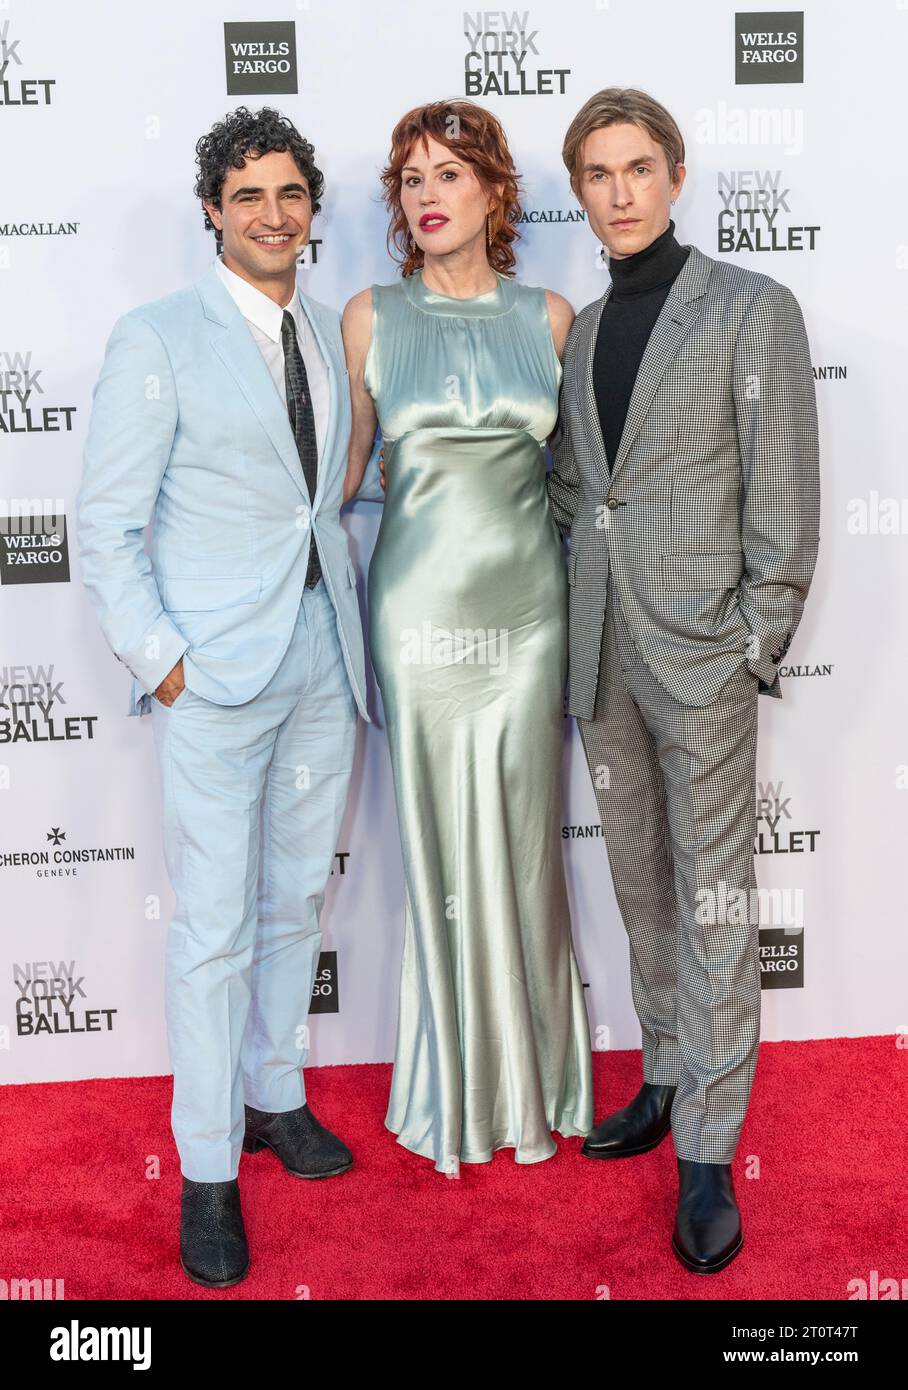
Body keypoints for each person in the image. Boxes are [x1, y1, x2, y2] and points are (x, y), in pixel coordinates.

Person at [77, 107, 368, 1287]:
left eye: (289, 192)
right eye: (245, 194)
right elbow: (102, 523)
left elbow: (319, 498)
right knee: (211, 924)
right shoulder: (156, 336)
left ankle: (274, 1094)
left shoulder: (317, 328)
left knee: (297, 895)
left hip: (319, 654)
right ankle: (204, 1167)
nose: (270, 213)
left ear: (311, 208)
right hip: (214, 674)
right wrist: (164, 660)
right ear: (211, 210)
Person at [547, 88, 820, 1273]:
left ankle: (707, 1151)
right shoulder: (581, 326)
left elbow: (785, 498)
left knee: (714, 896)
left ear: (673, 175)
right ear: (581, 192)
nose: (616, 192)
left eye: (635, 168)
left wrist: (750, 642)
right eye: (596, 174)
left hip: (701, 654)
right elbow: (575, 486)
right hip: (601, 646)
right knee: (641, 878)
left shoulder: (749, 310)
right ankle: (663, 1072)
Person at [343, 100, 594, 1175]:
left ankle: (534, 1076)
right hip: (414, 613)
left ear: (495, 192)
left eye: (450, 174)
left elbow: (586, 483)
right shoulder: (367, 316)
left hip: (527, 614)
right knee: (437, 842)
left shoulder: (549, 317)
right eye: (411, 179)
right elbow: (339, 483)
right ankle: (450, 1077)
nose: (429, 195)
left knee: (527, 841)